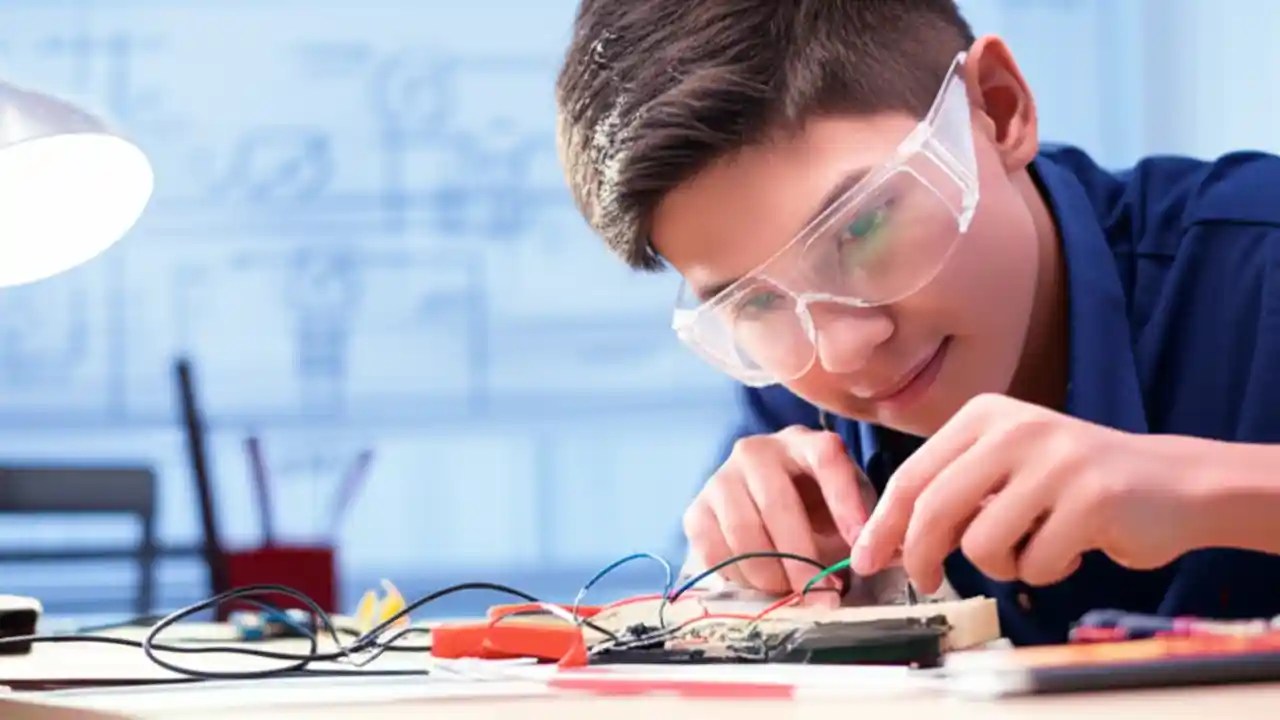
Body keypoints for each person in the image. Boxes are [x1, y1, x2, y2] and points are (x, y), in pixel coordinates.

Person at [553, 0, 1280, 645]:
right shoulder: (798, 397)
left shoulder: (1259, 258)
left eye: (863, 226)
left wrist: (1212, 490)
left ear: (999, 109)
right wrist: (737, 586)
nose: (842, 352)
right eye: (756, 301)